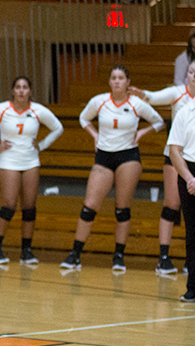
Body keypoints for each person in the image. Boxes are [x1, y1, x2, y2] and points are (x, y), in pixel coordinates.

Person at [61, 66, 164, 273]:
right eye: (114, 78)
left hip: (128, 156)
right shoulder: (99, 101)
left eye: (121, 78)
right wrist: (95, 135)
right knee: (89, 206)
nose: (117, 81)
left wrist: (141, 133)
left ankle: (118, 256)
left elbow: (159, 122)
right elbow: (83, 118)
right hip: (104, 156)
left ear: (128, 82)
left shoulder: (136, 104)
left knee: (122, 208)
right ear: (109, 82)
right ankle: (75, 254)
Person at [0, 77, 64, 266]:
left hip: (31, 161)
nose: (21, 90)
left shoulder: (37, 111)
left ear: (30, 91)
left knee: (29, 208)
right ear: (13, 91)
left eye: (25, 87)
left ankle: (26, 251)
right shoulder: (2, 109)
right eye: (18, 87)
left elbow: (58, 128)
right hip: (8, 162)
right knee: (9, 205)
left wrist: (42, 145)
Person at [128, 59, 195, 276]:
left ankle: (191, 261)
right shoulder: (178, 93)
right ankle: (164, 258)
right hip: (176, 156)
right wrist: (142, 94)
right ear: (187, 75)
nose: (194, 76)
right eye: (191, 72)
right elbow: (154, 97)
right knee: (172, 204)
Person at [166, 65, 195, 302]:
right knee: (192, 233)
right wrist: (189, 178)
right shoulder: (185, 112)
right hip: (189, 173)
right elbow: (174, 150)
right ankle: (193, 287)